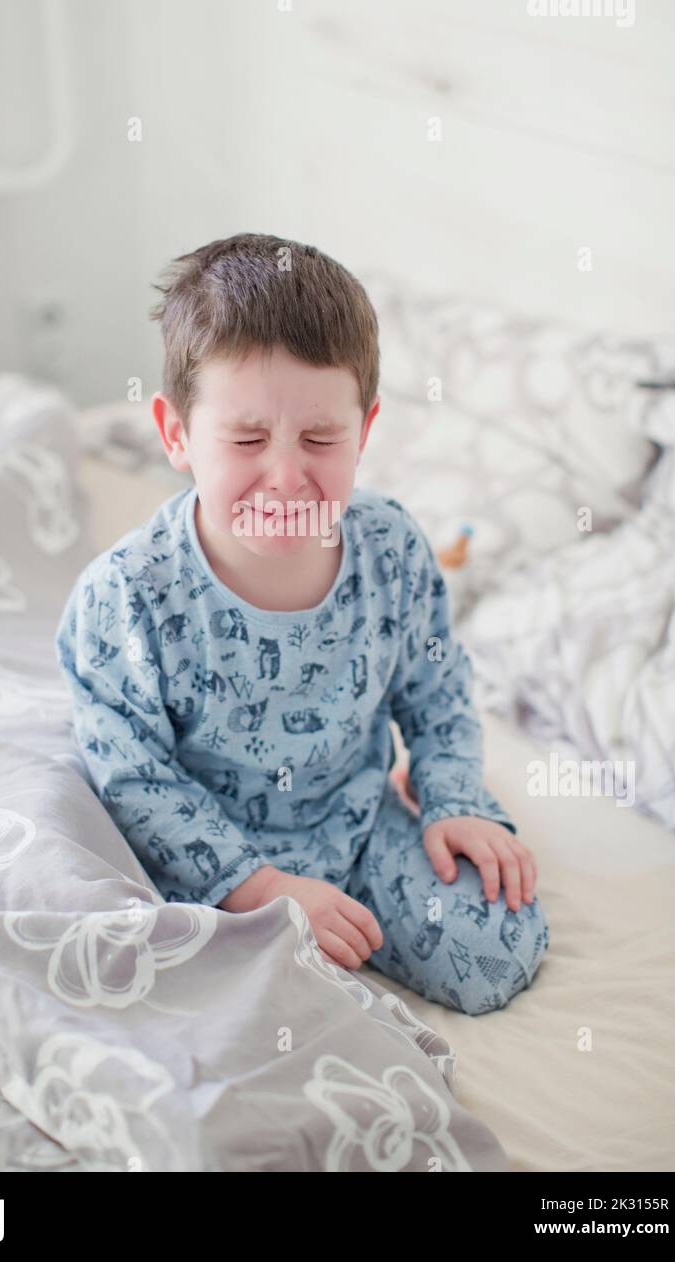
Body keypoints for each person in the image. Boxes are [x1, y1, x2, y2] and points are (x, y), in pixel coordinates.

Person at [54, 233, 549, 1014]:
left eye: (321, 439)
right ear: (176, 433)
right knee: (213, 1009)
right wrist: (260, 888)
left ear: (366, 428)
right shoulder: (130, 592)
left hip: (354, 822)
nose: (286, 476)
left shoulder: (389, 547)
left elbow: (437, 692)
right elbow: (132, 774)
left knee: (496, 950)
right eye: (246, 440)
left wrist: (454, 800)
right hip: (209, 859)